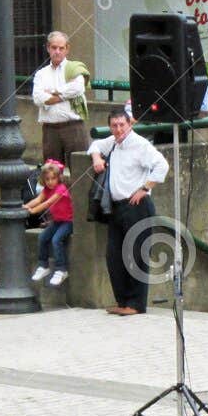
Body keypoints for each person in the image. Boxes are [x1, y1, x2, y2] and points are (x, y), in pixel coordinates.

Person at [87, 108, 168, 317]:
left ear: (129, 124)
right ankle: (122, 300)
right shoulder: (113, 142)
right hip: (116, 206)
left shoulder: (140, 144)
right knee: (114, 255)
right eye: (114, 125)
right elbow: (95, 144)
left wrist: (145, 188)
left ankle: (136, 303)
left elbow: (162, 165)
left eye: (122, 125)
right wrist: (97, 158)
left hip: (137, 206)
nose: (118, 129)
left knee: (136, 255)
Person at [31, 32, 91, 171]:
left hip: (74, 127)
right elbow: (38, 98)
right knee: (51, 174)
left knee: (81, 171)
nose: (57, 51)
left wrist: (52, 92)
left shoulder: (74, 68)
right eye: (54, 47)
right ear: (48, 48)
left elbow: (77, 88)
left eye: (61, 48)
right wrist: (64, 95)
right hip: (50, 129)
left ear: (67, 49)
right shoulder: (41, 74)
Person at [26, 160, 75, 287]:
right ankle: (43, 265)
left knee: (56, 240)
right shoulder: (47, 190)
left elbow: (47, 203)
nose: (50, 181)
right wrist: (25, 206)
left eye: (53, 178)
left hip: (68, 222)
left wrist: (33, 211)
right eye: (47, 179)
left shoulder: (61, 189)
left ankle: (61, 269)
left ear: (59, 178)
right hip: (57, 221)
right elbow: (38, 199)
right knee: (42, 238)